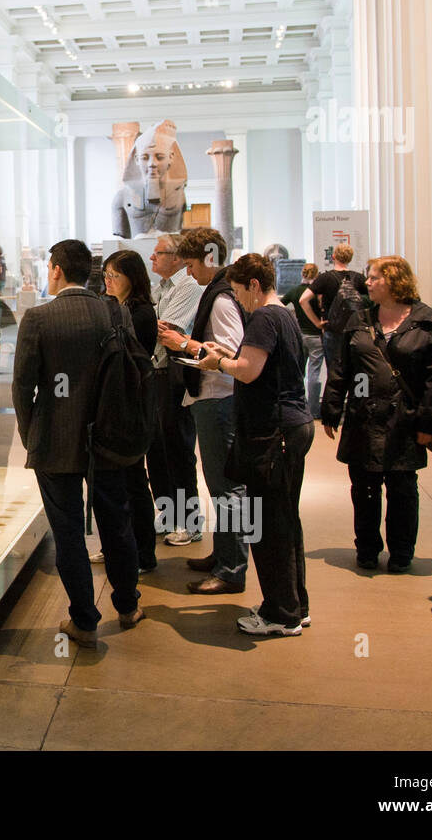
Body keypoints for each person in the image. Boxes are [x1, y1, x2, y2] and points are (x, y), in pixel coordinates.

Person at [12, 239, 144, 649]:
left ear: (55, 270)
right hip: (108, 438)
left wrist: (33, 431)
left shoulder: (38, 318)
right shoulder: (114, 310)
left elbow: (23, 386)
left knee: (68, 533)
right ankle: (127, 605)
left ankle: (84, 620)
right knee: (116, 523)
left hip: (56, 442)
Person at [198, 253, 314, 636]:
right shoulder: (285, 315)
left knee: (268, 526)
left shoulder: (264, 316)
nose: (237, 299)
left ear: (253, 285)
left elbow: (248, 371)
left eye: (237, 291)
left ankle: (280, 614)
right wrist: (226, 356)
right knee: (285, 521)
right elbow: (256, 363)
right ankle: (294, 604)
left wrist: (219, 364)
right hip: (290, 428)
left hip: (273, 433)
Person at [321, 256, 432, 574]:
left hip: (405, 419)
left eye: (374, 277)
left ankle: (402, 551)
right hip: (364, 416)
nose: (368, 282)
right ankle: (366, 548)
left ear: (393, 280)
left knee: (403, 487)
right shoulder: (359, 320)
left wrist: (429, 422)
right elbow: (342, 367)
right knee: (363, 486)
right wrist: (332, 407)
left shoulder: (427, 321)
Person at [159, 228, 247, 594]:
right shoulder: (217, 292)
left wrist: (184, 343)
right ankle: (224, 555)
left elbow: (229, 355)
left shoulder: (223, 299)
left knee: (226, 488)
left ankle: (232, 567)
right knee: (219, 485)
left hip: (218, 399)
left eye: (192, 264)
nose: (189, 272)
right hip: (210, 399)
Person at [97, 249, 159, 570]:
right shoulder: (115, 307)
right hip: (119, 402)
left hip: (132, 405)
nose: (107, 281)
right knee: (121, 482)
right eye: (105, 274)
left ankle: (143, 554)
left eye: (113, 276)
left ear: (131, 279)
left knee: (134, 480)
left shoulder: (141, 312)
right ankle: (122, 550)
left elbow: (133, 359)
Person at [147, 233, 203, 543]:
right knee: (156, 449)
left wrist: (143, 323)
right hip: (155, 374)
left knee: (178, 448)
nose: (152, 258)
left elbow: (168, 330)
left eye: (159, 253)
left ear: (178, 258)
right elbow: (148, 324)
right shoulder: (162, 288)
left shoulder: (188, 287)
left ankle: (190, 522)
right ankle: (168, 514)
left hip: (175, 375)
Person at [304, 244, 367, 376]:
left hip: (332, 330)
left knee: (334, 374)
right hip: (355, 330)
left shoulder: (325, 278)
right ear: (350, 258)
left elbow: (303, 300)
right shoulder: (359, 278)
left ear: (333, 256)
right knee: (356, 372)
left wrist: (316, 322)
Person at [283, 263, 324, 419]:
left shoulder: (294, 291)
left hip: (300, 336)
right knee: (314, 373)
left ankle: (297, 406)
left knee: (299, 371)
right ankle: (314, 410)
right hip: (315, 336)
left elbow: (281, 305)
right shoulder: (316, 293)